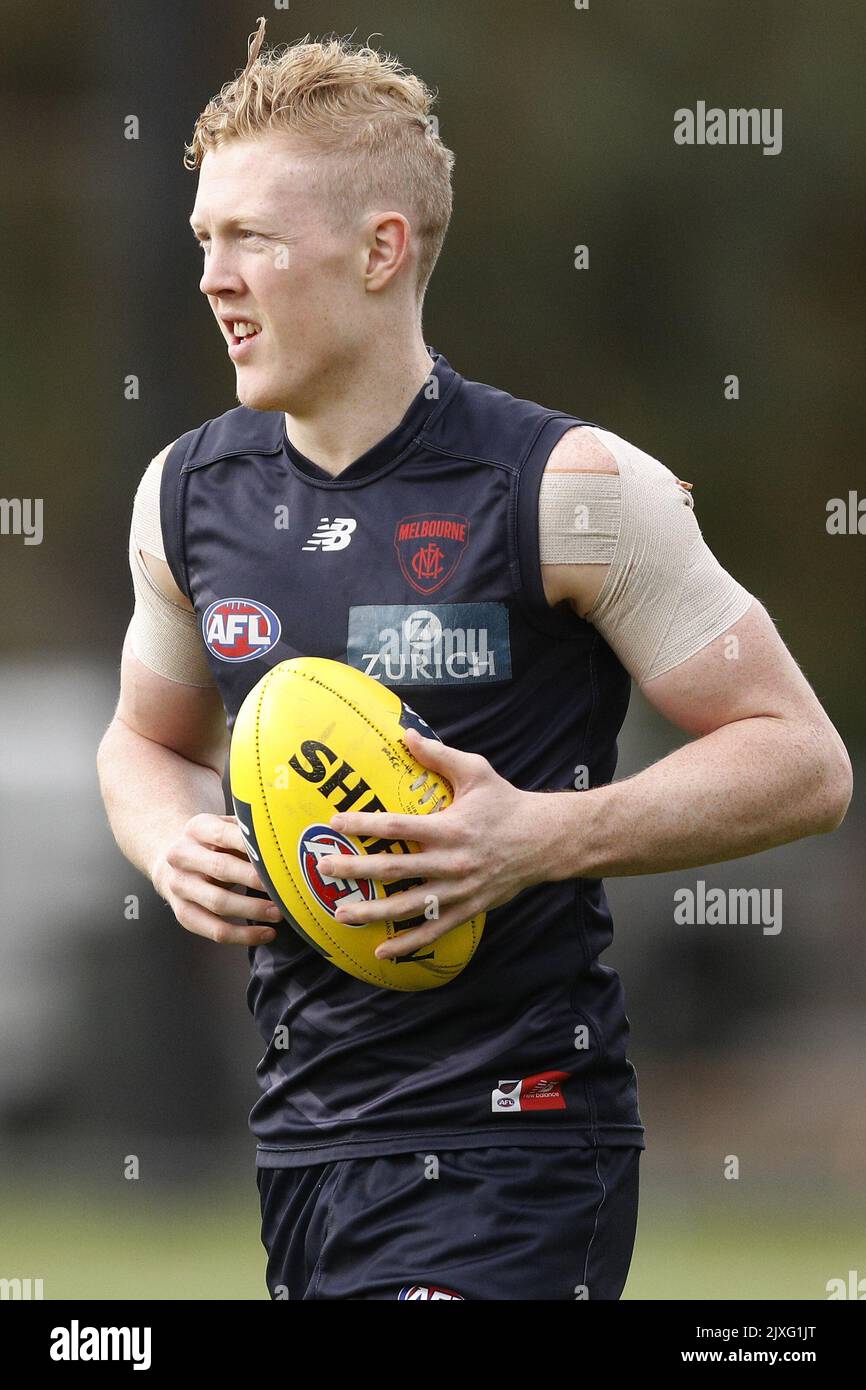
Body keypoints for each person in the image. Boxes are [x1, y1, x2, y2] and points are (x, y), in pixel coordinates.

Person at [97, 19, 852, 1301]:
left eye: (254, 240)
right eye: (203, 242)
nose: (216, 278)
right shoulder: (186, 495)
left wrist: (534, 836)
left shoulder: (567, 489)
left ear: (381, 249)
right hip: (306, 1140)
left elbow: (803, 760)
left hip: (523, 1131)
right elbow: (142, 742)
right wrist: (170, 840)